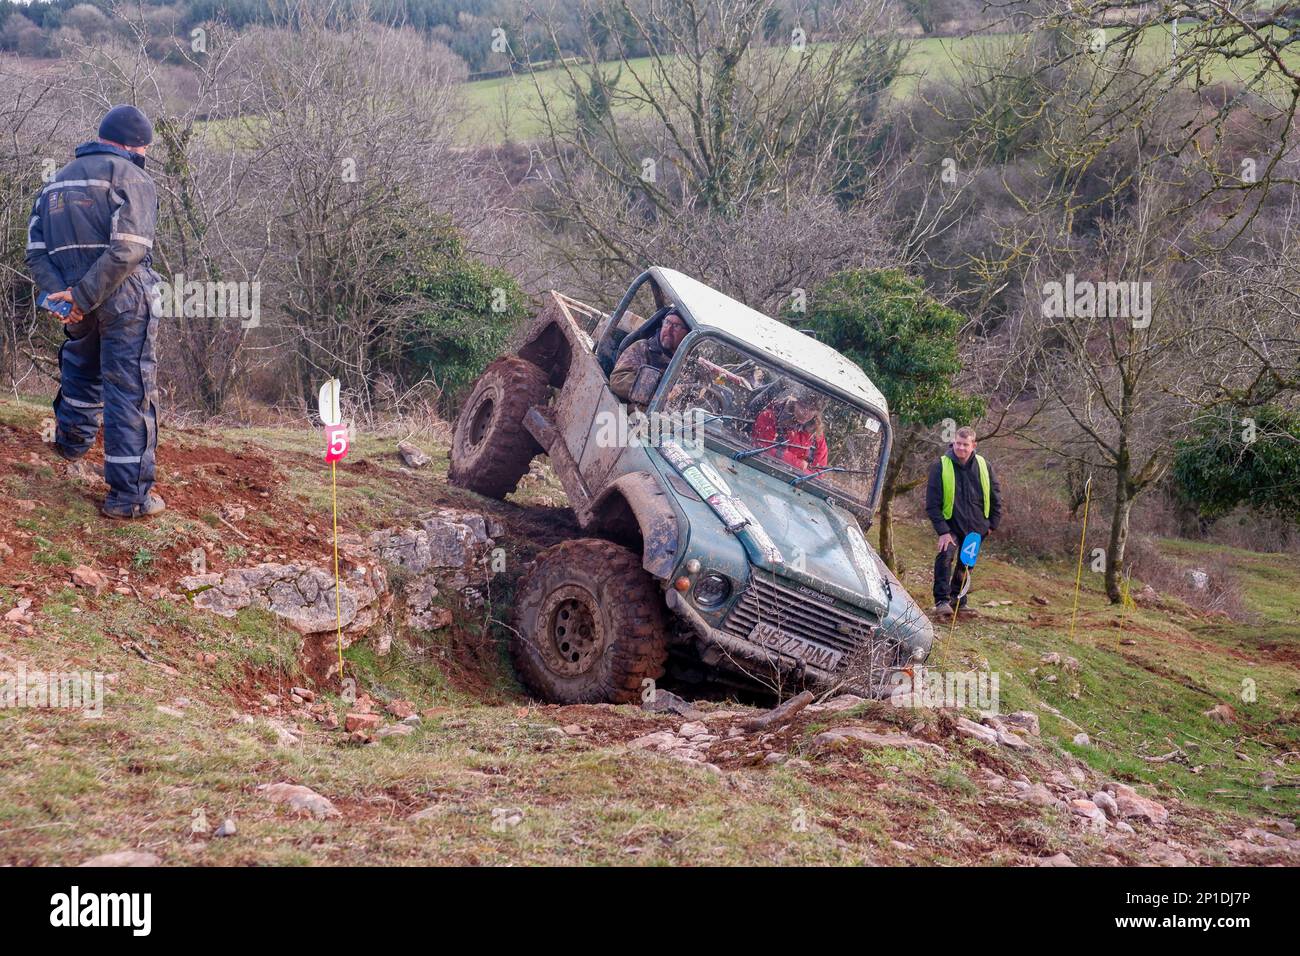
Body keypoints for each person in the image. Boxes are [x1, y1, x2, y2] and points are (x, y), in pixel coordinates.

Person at [25, 105, 164, 519]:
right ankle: (130, 498)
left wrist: (63, 297)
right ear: (132, 144)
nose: (144, 153)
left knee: (81, 372)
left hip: (72, 297)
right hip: (123, 295)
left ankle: (69, 444)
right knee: (130, 389)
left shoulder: (54, 182)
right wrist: (84, 296)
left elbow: (35, 251)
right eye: (143, 147)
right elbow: (128, 250)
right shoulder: (132, 176)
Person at [924, 426, 1002, 621]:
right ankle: (941, 601)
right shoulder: (941, 465)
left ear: (973, 445)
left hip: (977, 526)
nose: (961, 448)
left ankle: (959, 600)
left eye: (965, 445)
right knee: (945, 558)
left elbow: (995, 496)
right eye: (958, 443)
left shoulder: (985, 465)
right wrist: (942, 531)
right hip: (950, 526)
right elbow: (932, 503)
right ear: (953, 443)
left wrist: (992, 524)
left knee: (966, 565)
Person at [609, 308, 688, 406]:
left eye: (676, 326)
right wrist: (657, 391)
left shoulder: (688, 366)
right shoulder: (643, 348)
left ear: (687, 334)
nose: (669, 329)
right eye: (667, 322)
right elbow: (618, 379)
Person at [751, 384, 829, 472]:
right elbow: (762, 450)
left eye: (812, 409)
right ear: (794, 401)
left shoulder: (816, 434)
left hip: (797, 483)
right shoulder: (770, 417)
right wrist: (800, 465)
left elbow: (818, 473)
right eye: (803, 406)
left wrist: (783, 457)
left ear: (817, 412)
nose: (805, 413)